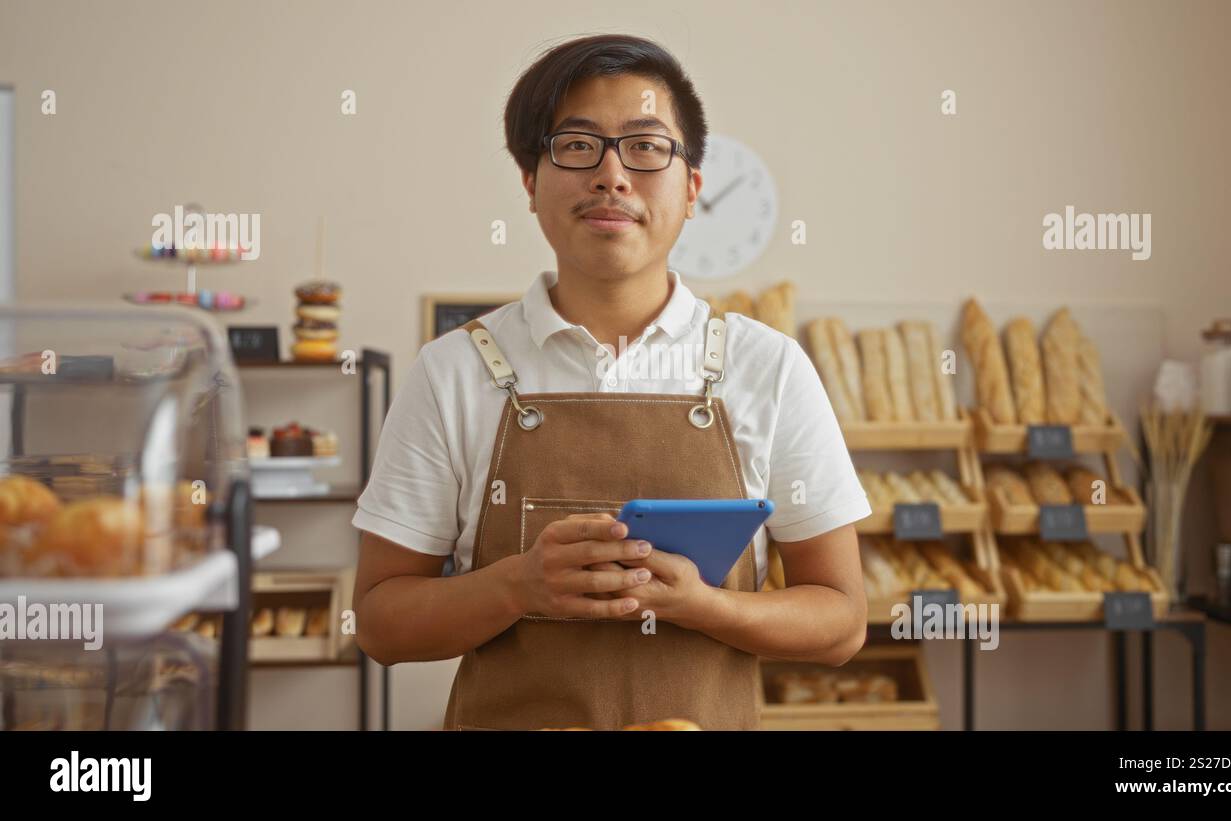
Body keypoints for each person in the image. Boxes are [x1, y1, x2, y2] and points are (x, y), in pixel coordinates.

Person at [352, 33, 870, 730]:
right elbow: (381, 622)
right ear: (531, 180)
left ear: (691, 188)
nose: (612, 176)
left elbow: (841, 621)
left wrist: (702, 604)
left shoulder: (768, 368)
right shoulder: (453, 371)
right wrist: (516, 585)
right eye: (576, 145)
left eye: (646, 147)